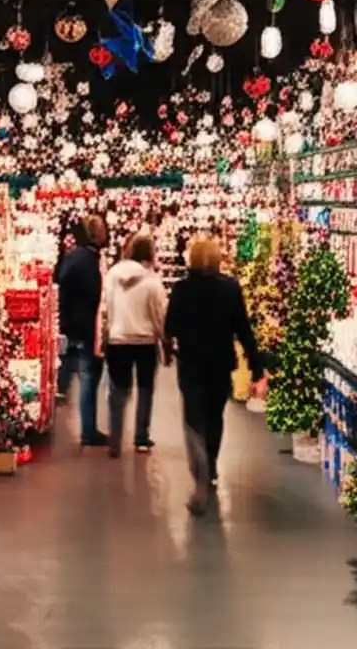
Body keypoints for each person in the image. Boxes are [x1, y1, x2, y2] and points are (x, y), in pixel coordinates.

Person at [165, 235, 263, 515]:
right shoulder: (230, 288)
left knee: (193, 420)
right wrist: (257, 367)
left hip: (191, 363)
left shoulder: (182, 289)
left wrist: (168, 346)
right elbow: (243, 329)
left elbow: (170, 326)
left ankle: (199, 472)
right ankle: (211, 466)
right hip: (220, 364)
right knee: (215, 417)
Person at [102, 234, 168, 457]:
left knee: (117, 390)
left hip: (118, 338)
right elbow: (159, 314)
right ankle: (141, 437)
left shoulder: (112, 275)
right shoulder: (152, 281)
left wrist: (106, 331)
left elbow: (105, 307)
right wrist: (164, 338)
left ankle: (115, 438)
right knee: (145, 389)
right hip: (144, 342)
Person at [54, 213, 107, 446]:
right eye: (103, 230)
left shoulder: (73, 257)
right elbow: (91, 295)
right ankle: (88, 430)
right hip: (83, 327)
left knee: (66, 373)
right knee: (88, 379)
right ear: (95, 234)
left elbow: (61, 286)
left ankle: (54, 415)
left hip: (70, 325)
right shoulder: (88, 261)